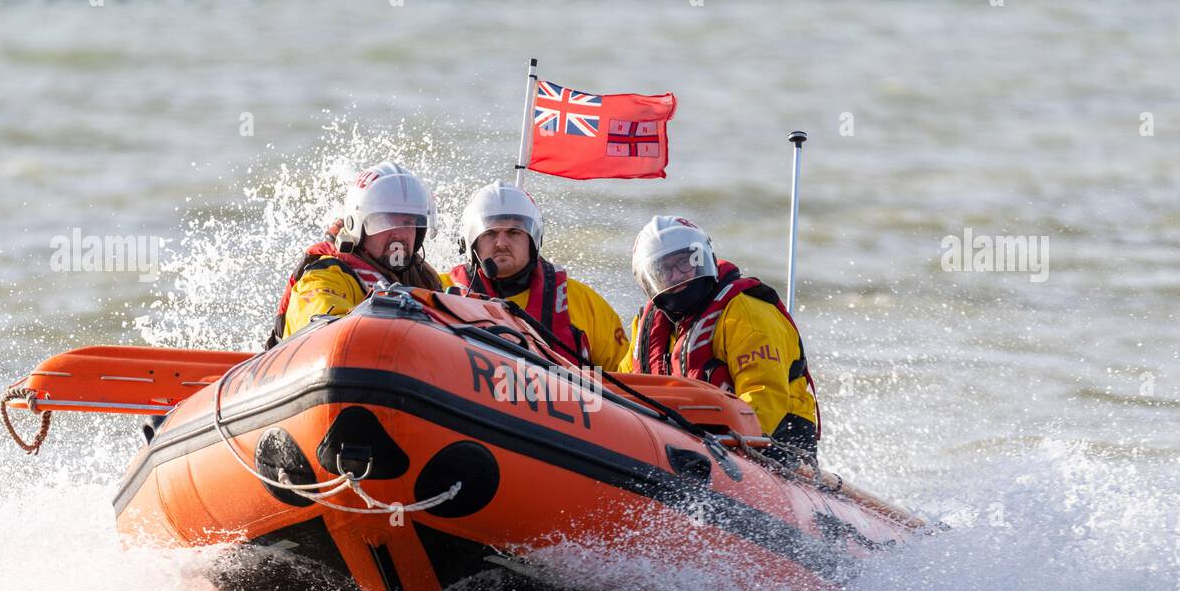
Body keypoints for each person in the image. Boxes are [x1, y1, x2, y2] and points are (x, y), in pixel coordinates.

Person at [624, 215, 821, 460]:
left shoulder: (747, 313)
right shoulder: (647, 327)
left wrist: (730, 450)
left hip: (774, 445)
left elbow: (764, 394)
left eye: (684, 263)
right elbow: (624, 385)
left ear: (702, 259)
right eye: (663, 270)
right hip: (683, 447)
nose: (675, 276)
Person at [442, 181, 630, 371]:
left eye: (514, 232)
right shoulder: (440, 290)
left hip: (560, 398)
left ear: (534, 241)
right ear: (470, 244)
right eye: (490, 233)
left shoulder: (585, 304)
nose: (501, 243)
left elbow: (626, 379)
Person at [267, 161, 443, 348]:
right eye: (386, 221)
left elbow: (460, 298)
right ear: (357, 225)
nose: (399, 233)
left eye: (408, 222)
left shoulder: (424, 279)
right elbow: (325, 334)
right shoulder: (324, 277)